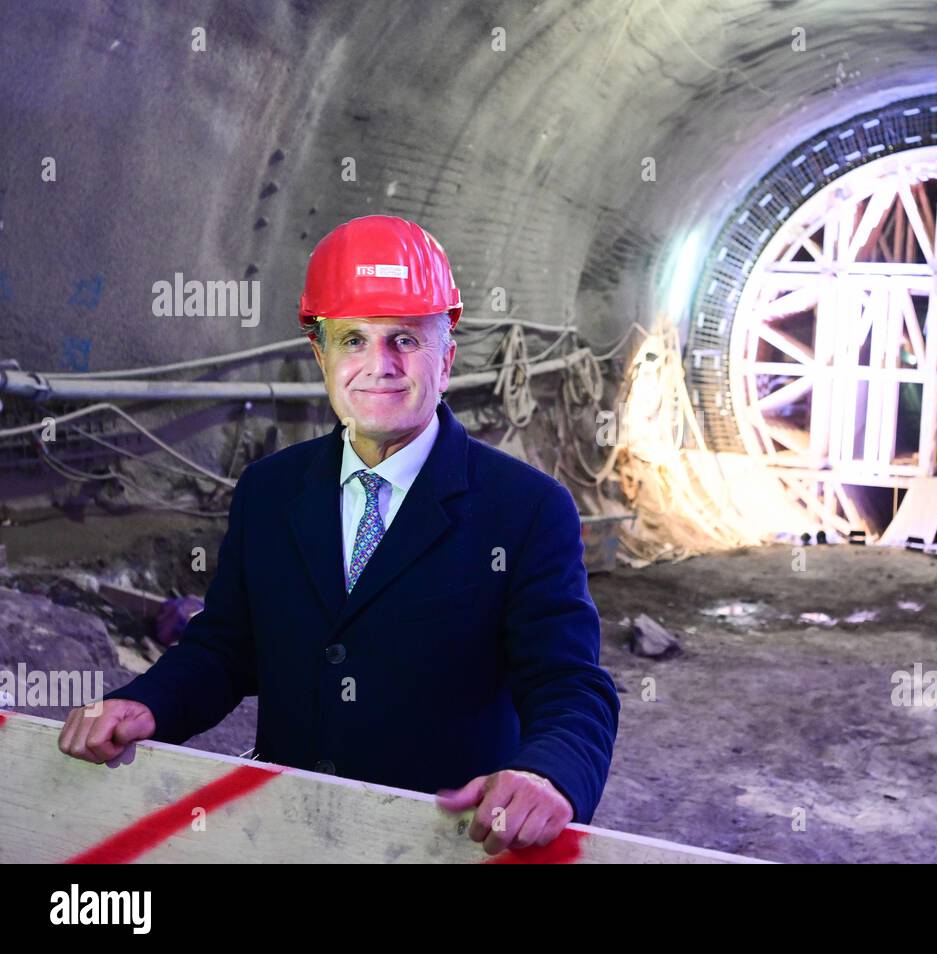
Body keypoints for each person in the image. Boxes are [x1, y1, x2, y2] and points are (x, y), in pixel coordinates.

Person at [58, 214, 620, 856]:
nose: (377, 366)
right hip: (288, 833)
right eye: (353, 339)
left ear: (446, 355)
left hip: (443, 843)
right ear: (321, 355)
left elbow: (567, 683)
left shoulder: (526, 509)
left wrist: (548, 773)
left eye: (404, 340)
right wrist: (147, 704)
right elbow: (226, 648)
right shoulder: (270, 491)